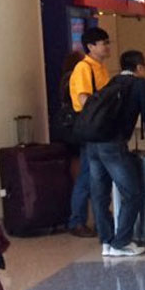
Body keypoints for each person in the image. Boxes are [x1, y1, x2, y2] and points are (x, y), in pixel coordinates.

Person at [68, 28, 145, 257]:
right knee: (119, 189)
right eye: (103, 43)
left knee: (98, 188)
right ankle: (112, 237)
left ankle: (108, 239)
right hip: (99, 134)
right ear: (90, 46)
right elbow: (85, 101)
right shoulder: (84, 68)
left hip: (100, 135)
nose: (107, 47)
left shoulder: (101, 69)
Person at [59, 50, 96, 238]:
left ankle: (81, 219)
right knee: (85, 176)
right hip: (83, 132)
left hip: (73, 133)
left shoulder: (66, 79)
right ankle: (78, 220)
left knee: (83, 175)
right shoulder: (76, 79)